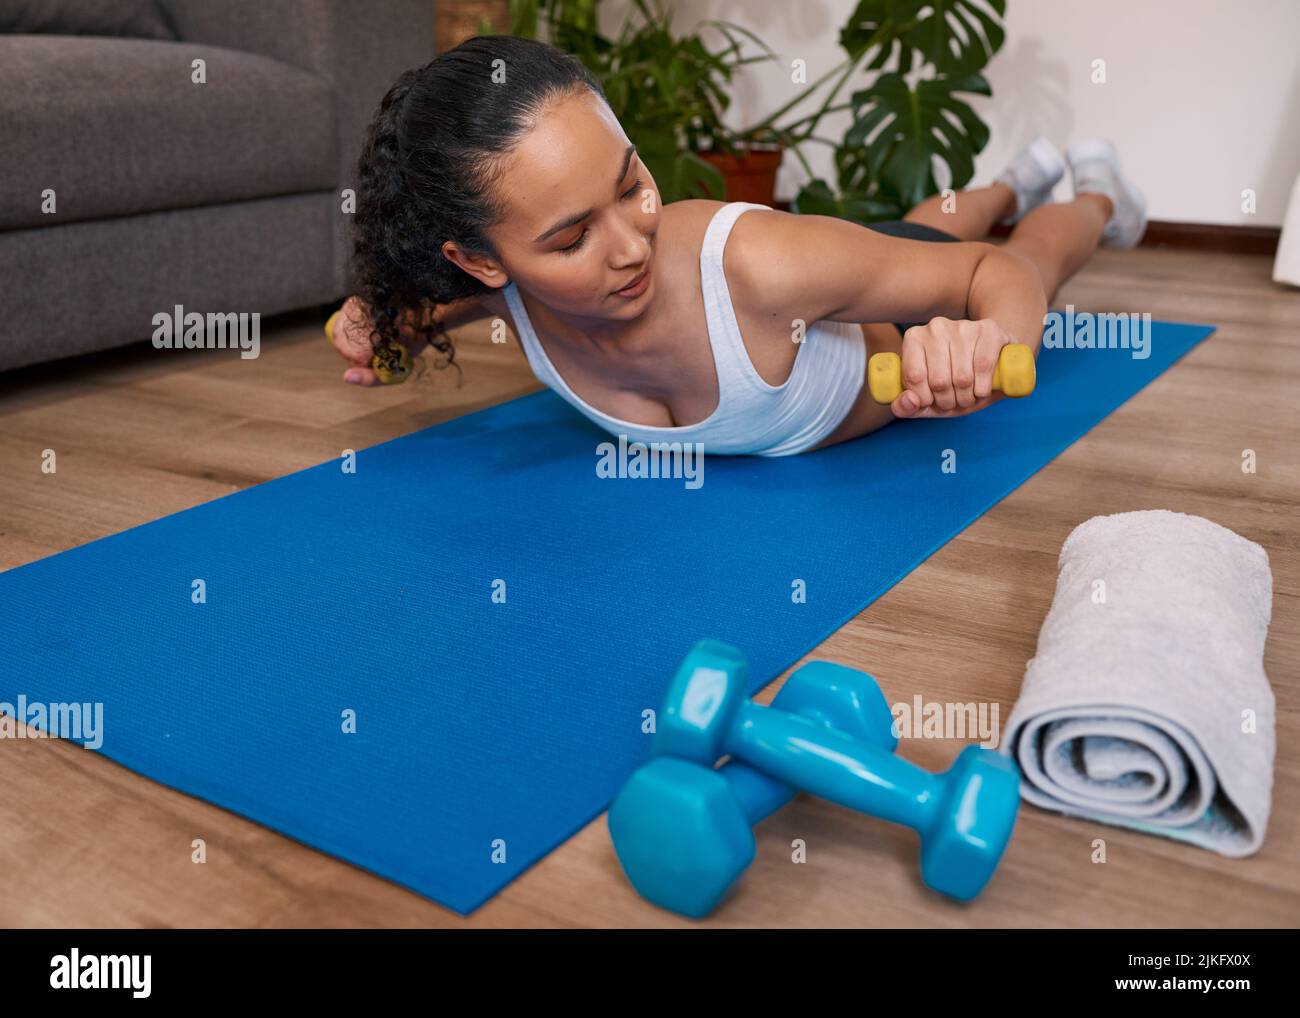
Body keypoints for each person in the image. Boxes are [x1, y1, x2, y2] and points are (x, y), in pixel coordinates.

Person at [330, 35, 1146, 456]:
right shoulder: (495, 290)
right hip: (853, 266)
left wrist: (991, 339)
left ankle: (1100, 193)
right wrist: (371, 320)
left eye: (629, 185)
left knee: (1022, 256)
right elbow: (400, 306)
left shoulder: (758, 265)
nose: (629, 247)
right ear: (480, 259)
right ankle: (1008, 176)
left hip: (850, 304)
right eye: (574, 237)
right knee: (925, 226)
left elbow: (986, 270)